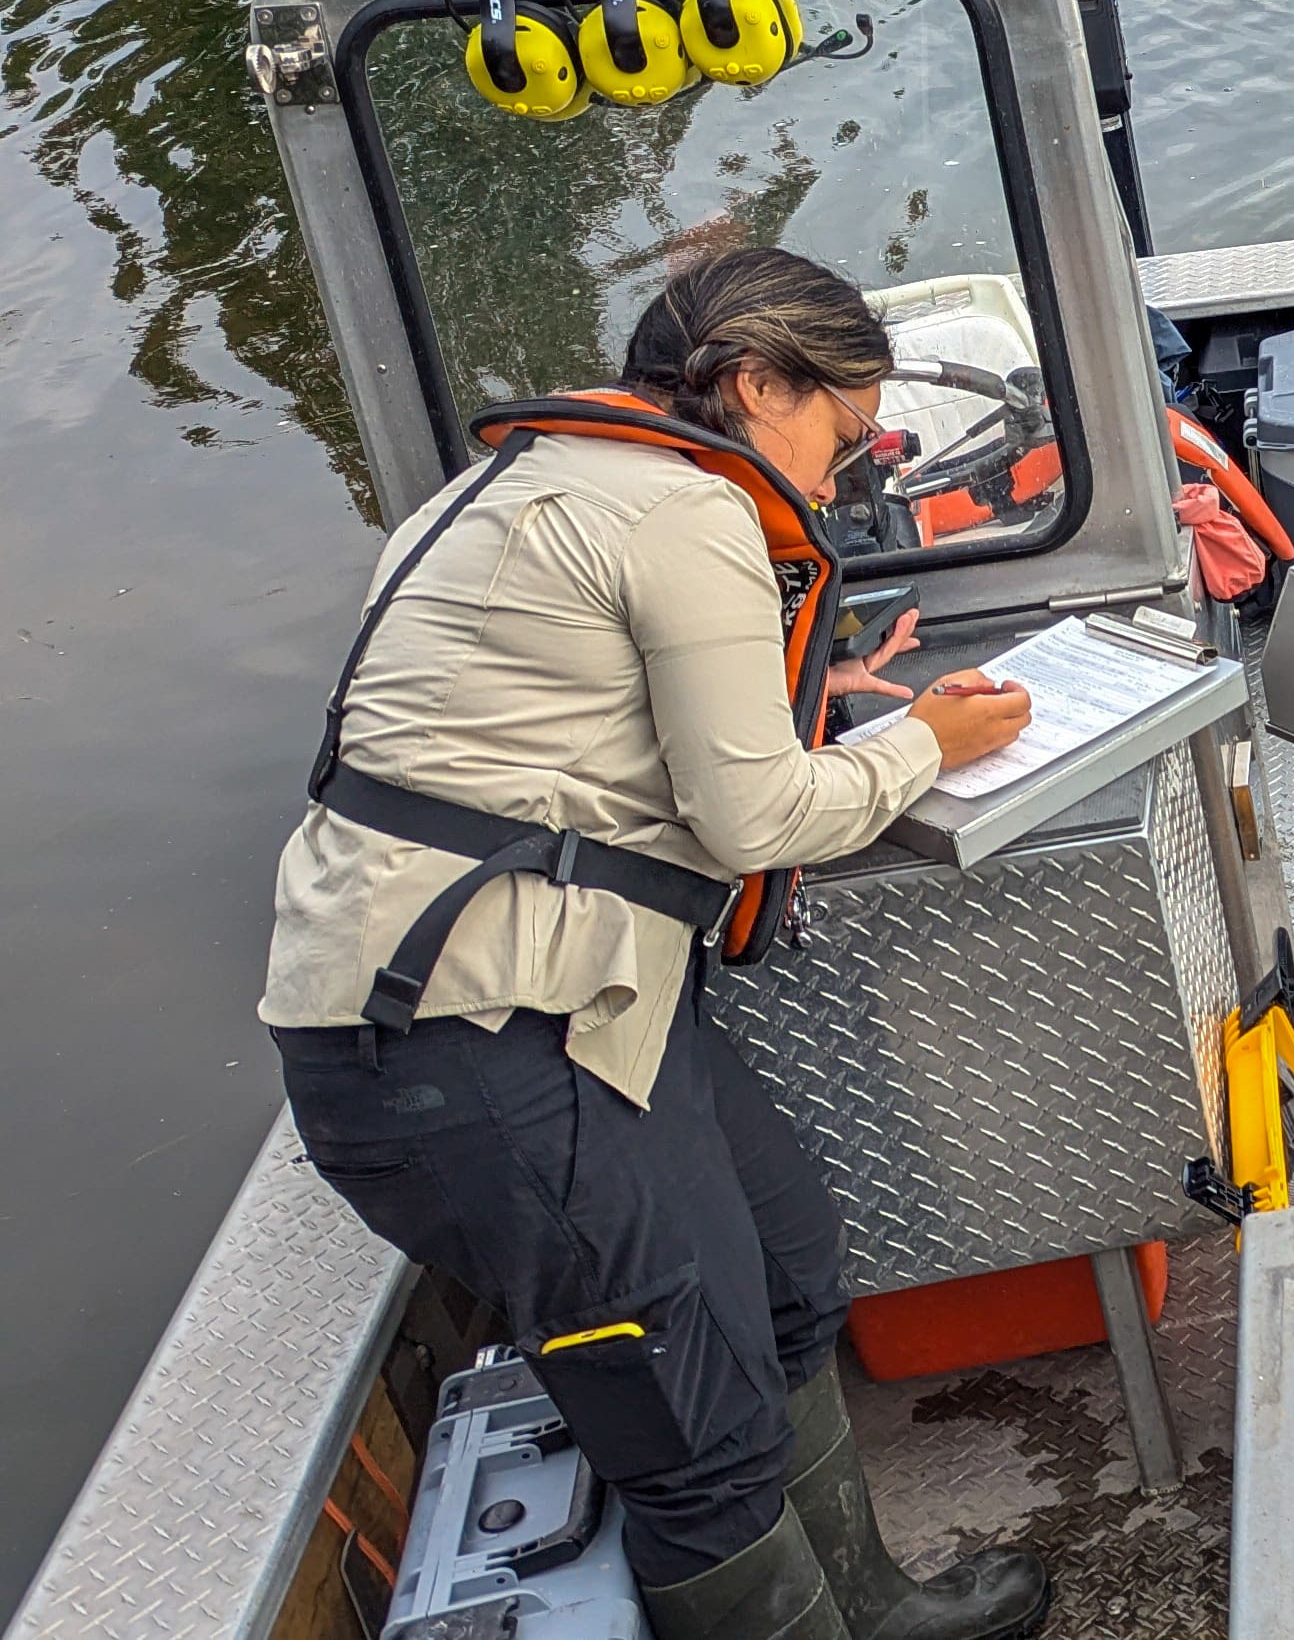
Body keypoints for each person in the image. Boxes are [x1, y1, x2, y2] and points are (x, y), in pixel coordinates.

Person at [261, 248, 1050, 1640]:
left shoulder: (516, 480)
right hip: (472, 1046)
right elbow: (753, 820)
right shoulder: (688, 510)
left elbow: (547, 737)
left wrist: (816, 696)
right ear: (755, 383)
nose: (839, 477)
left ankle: (870, 1609)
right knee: (697, 1436)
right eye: (842, 436)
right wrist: (927, 742)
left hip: (559, 1008)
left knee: (789, 1274)